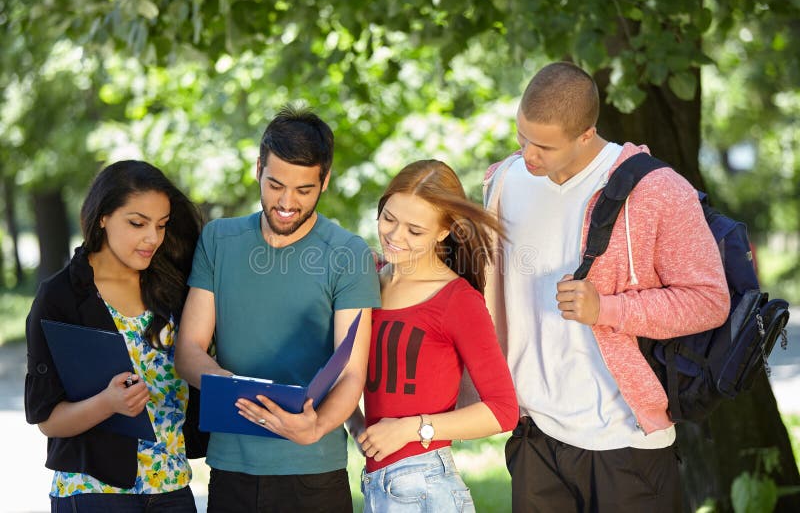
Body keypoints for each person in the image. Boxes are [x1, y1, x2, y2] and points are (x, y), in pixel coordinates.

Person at [482, 62, 730, 512]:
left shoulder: (658, 190)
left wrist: (608, 309)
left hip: (626, 439)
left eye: (543, 146)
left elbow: (709, 301)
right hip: (535, 434)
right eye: (521, 137)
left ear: (585, 134)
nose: (528, 155)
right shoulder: (504, 181)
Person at [175, 104, 380, 512]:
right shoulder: (219, 240)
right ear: (258, 169)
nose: (286, 202)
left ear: (325, 182)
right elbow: (188, 350)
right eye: (275, 184)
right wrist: (237, 393)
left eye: (303, 190)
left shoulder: (349, 254)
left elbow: (352, 370)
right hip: (232, 471)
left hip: (314, 473)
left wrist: (316, 427)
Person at [25, 160, 203, 512]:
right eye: (137, 223)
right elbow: (46, 418)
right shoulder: (60, 296)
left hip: (173, 488)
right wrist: (108, 404)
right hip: (93, 493)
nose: (152, 238)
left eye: (162, 225)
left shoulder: (174, 288)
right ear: (103, 216)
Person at [348, 159, 519, 512]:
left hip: (427, 486)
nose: (395, 237)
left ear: (443, 232)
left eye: (414, 230)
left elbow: (503, 411)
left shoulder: (458, 300)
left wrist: (411, 429)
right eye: (389, 219)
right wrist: (354, 422)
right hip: (376, 485)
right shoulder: (368, 281)